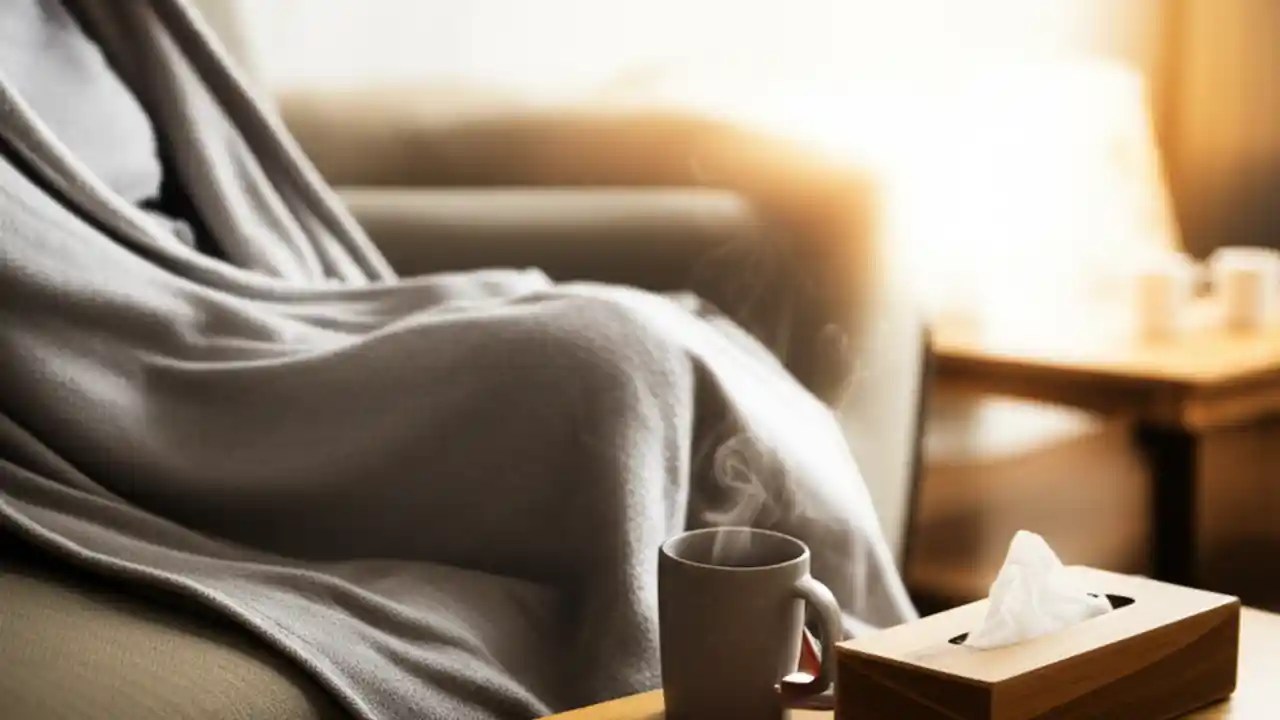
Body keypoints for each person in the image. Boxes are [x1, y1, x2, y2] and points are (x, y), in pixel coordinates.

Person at [0, 1, 915, 717]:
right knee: (618, 364)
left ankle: (913, 675)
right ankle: (685, 682)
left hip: (271, 293)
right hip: (150, 369)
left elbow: (238, 185)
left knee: (686, 341)